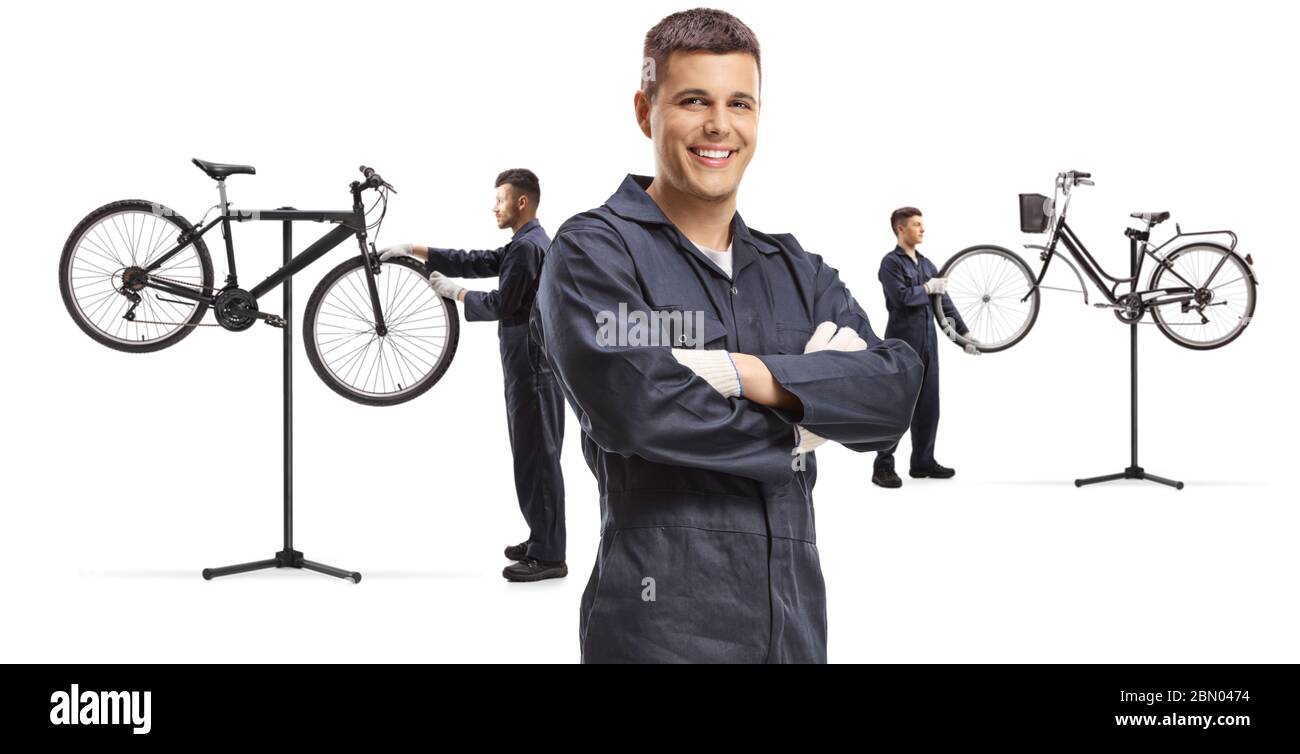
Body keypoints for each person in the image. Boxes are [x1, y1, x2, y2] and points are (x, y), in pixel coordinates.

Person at [530, 8, 923, 663]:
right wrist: (810, 415)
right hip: (658, 632)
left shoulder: (795, 269)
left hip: (795, 627)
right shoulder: (595, 252)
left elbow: (894, 390)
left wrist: (746, 375)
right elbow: (641, 412)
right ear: (644, 110)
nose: (719, 125)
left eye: (739, 102)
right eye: (693, 100)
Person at [381, 169, 568, 582]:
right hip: (527, 362)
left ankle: (550, 556)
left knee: (537, 457)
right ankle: (543, 538)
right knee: (532, 454)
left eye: (500, 200)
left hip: (533, 365)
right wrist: (415, 248)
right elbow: (479, 260)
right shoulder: (527, 242)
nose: (494, 207)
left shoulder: (528, 247)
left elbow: (504, 303)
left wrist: (457, 293)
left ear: (522, 202)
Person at [872, 207, 978, 489]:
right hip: (902, 344)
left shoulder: (928, 265)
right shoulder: (890, 263)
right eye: (916, 225)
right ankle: (883, 466)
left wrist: (964, 337)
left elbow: (944, 306)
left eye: (922, 224)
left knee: (929, 406)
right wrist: (927, 289)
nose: (922, 229)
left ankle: (922, 462)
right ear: (900, 229)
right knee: (897, 407)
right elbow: (901, 298)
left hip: (929, 344)